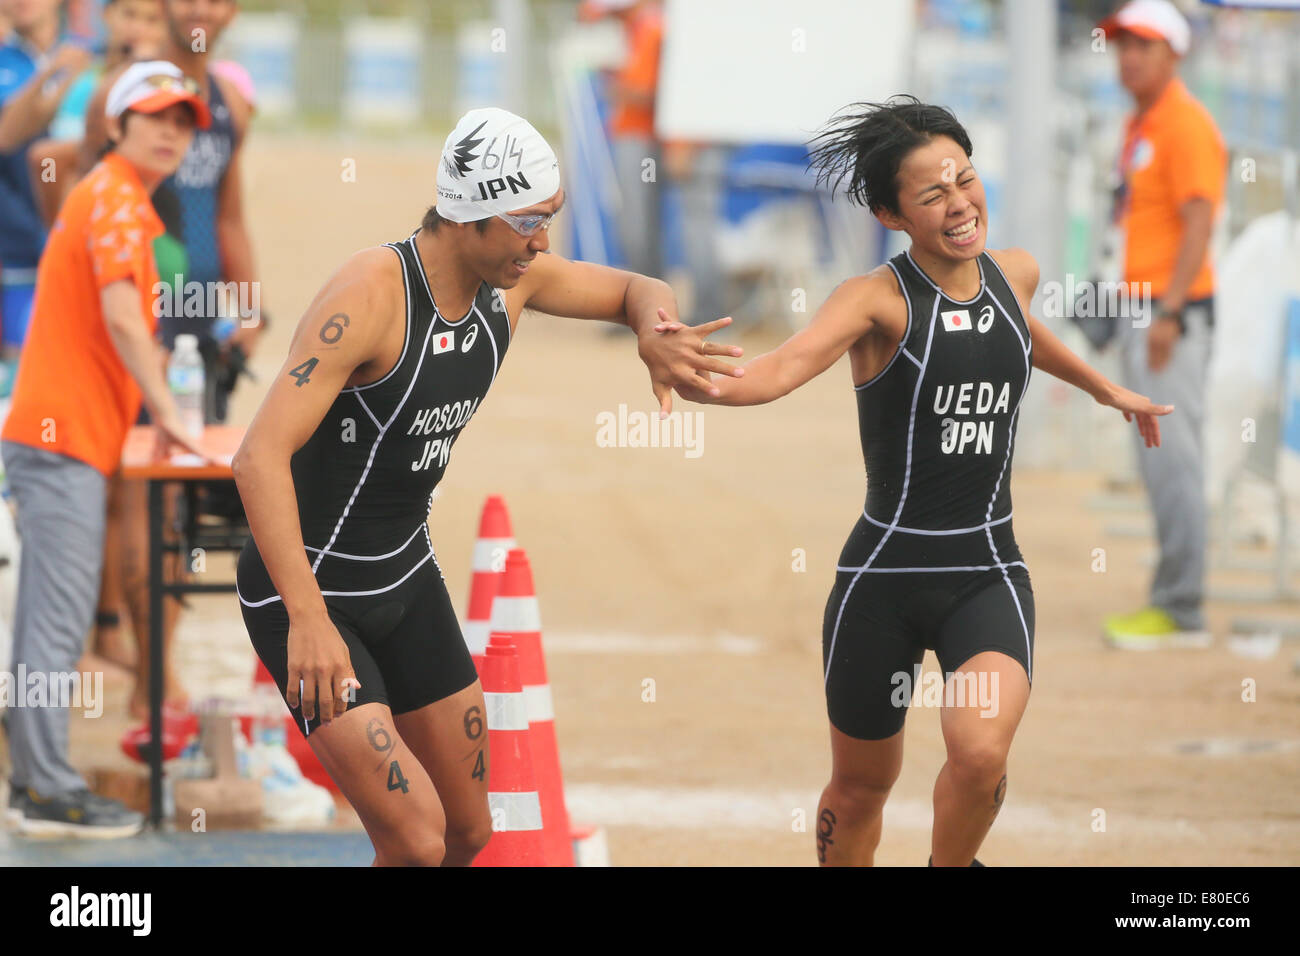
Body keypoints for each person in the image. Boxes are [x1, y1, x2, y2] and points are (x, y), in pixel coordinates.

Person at [662, 96, 1172, 866]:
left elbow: (1019, 333)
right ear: (892, 214)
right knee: (862, 787)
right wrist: (689, 374)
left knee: (979, 754)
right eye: (932, 195)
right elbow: (773, 374)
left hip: (986, 573)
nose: (959, 203)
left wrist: (1105, 389)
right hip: (883, 580)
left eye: (964, 179)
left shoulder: (1015, 274)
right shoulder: (874, 302)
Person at [232, 107, 741, 866]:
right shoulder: (372, 292)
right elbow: (258, 455)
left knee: (471, 832)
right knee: (413, 835)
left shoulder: (513, 283)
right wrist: (308, 621)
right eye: (529, 222)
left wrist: (653, 329)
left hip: (406, 576)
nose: (543, 243)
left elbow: (639, 285)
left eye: (551, 219)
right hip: (305, 592)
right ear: (469, 215)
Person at [1, 60, 208, 837]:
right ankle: (46, 787)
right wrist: (170, 413)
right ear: (117, 125)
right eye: (154, 115)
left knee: (46, 622)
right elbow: (125, 317)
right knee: (55, 623)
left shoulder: (115, 199)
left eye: (183, 120)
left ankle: (35, 781)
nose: (170, 131)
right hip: (62, 443)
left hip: (63, 439)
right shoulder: (117, 200)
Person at [83, 0, 259, 718]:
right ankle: (149, 677)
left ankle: (154, 670)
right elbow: (70, 178)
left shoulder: (230, 103)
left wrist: (247, 303)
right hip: (141, 323)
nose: (200, 10)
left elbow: (228, 214)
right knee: (138, 492)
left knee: (180, 497)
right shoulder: (126, 95)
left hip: (204, 329)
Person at [1096, 0, 1226, 650]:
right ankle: (1174, 600)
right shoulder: (1142, 122)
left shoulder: (1183, 123)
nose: (1129, 56)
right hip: (1142, 311)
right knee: (1156, 463)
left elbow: (1200, 218)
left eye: (1142, 45)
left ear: (1173, 53)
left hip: (1166, 316)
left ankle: (1181, 608)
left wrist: (1170, 310)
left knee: (1173, 462)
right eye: (1122, 45)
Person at [0, 0, 88, 361]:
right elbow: (6, 136)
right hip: (16, 252)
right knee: (22, 371)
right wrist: (55, 73)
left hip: (85, 245)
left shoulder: (96, 58)